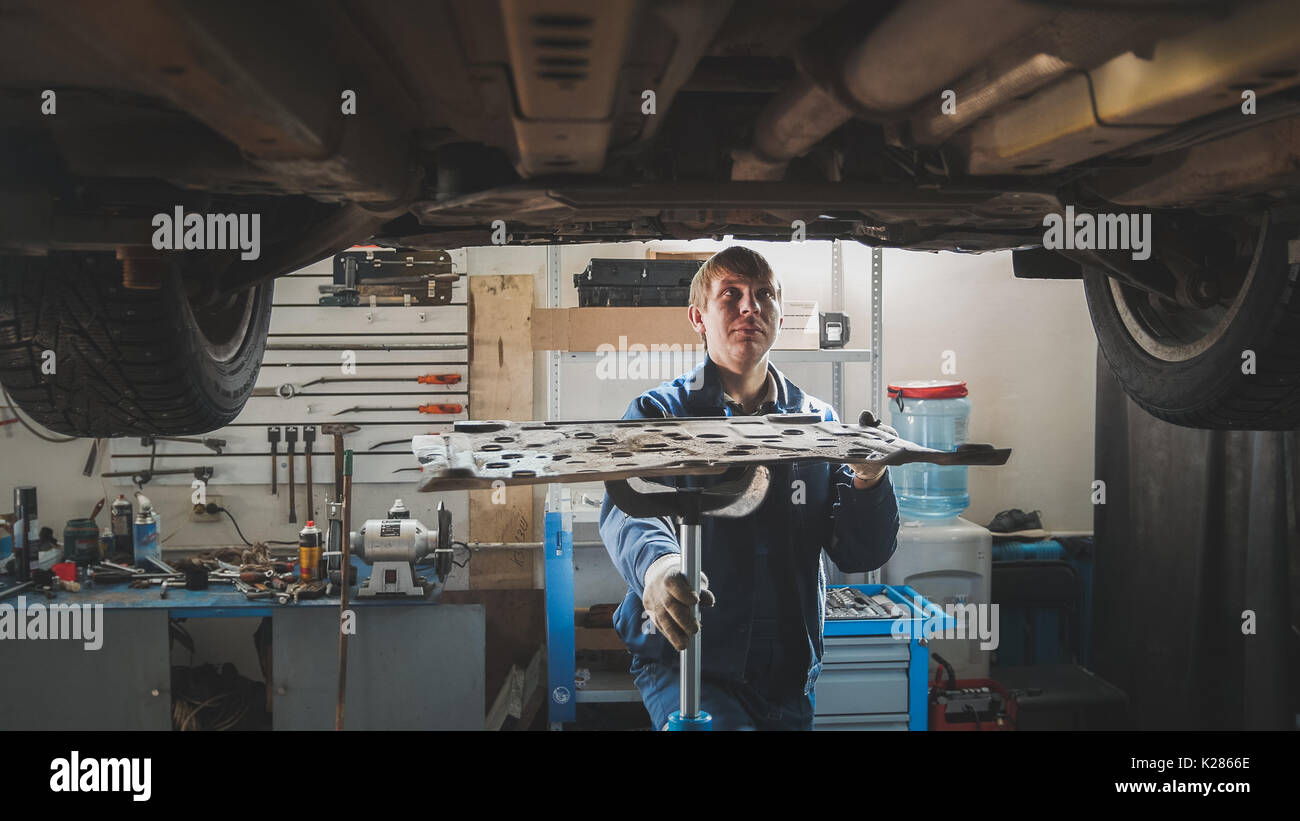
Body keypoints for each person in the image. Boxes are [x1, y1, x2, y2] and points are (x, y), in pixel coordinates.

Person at [600, 246, 901, 730]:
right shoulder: (659, 414)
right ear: (698, 317)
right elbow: (628, 510)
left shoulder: (817, 423)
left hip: (786, 673)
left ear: (779, 312)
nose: (750, 307)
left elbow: (861, 553)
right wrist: (659, 568)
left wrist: (869, 479)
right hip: (689, 661)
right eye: (731, 295)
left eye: (764, 295)